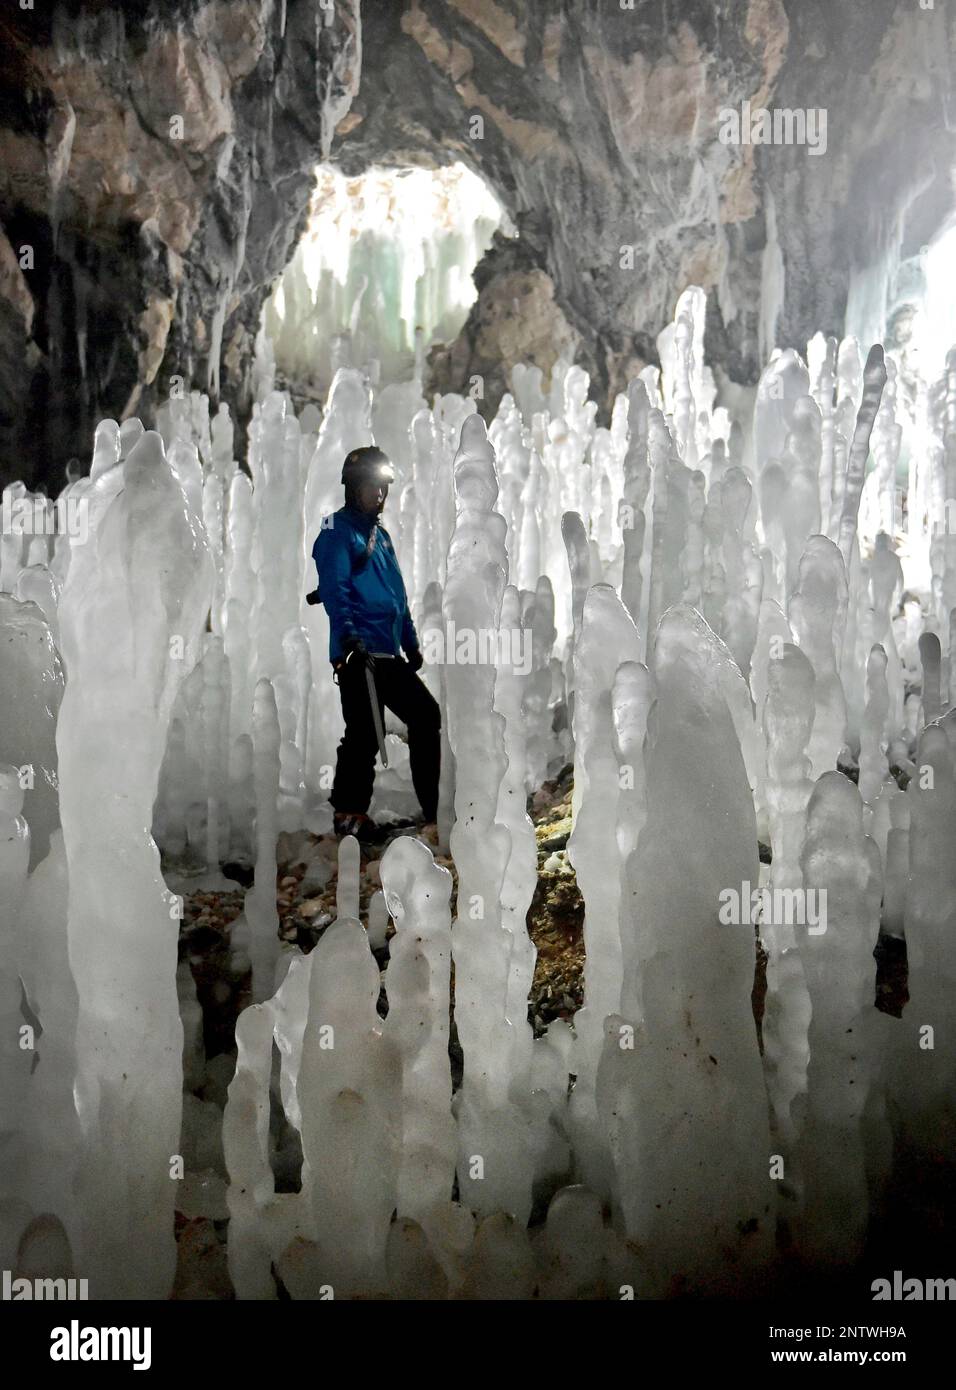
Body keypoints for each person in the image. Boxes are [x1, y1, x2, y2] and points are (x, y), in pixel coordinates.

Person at [311, 446, 440, 842]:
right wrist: (348, 636)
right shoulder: (336, 530)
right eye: (372, 486)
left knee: (425, 715)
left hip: (387, 652)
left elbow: (396, 595)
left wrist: (410, 641)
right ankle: (348, 814)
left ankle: (436, 806)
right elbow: (336, 589)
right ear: (353, 487)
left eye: (383, 487)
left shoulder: (380, 536)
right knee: (365, 732)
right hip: (357, 652)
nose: (379, 494)